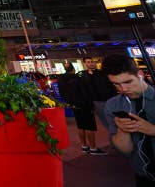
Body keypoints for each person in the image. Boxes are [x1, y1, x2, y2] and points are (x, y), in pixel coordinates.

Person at [103, 54, 155, 185]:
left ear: (140, 74)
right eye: (116, 84)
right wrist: (123, 130)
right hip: (142, 175)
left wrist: (153, 130)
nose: (123, 89)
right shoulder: (113, 105)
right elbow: (125, 151)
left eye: (128, 82)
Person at [59, 64, 105, 154]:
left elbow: (62, 93)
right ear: (73, 69)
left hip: (74, 105)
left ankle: (84, 145)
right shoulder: (78, 79)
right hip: (84, 105)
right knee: (89, 126)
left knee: (80, 125)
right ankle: (93, 148)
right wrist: (90, 105)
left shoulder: (62, 81)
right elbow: (85, 93)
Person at [81, 56, 117, 133]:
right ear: (84, 64)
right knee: (106, 122)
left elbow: (111, 85)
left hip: (109, 99)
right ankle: (114, 138)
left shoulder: (102, 73)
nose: (91, 64)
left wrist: (114, 96)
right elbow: (85, 90)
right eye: (88, 62)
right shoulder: (84, 76)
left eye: (92, 62)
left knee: (115, 119)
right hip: (97, 102)